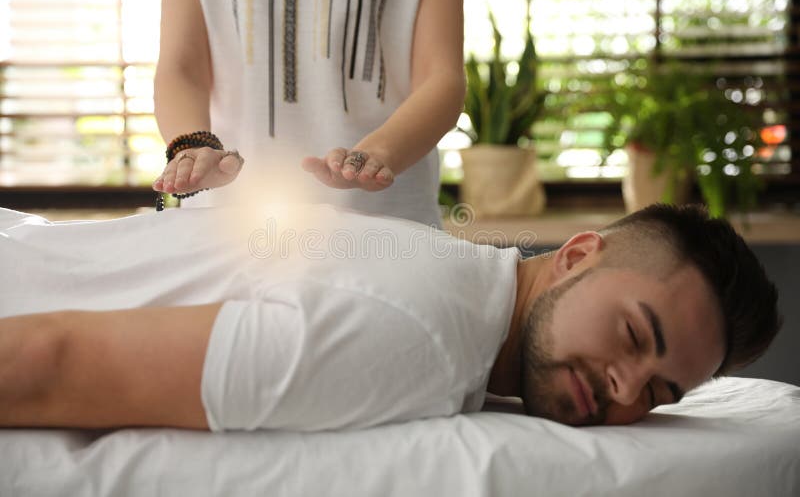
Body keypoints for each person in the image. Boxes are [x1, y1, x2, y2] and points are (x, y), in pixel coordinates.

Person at [0, 203, 780, 430]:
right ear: (577, 256)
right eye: (635, 337)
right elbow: (46, 365)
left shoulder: (442, 271)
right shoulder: (418, 337)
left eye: (660, 393)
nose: (626, 390)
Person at [151, 0, 466, 228]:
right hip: (226, 225)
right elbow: (182, 67)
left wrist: (380, 153)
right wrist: (193, 146)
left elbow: (441, 77)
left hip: (387, 226)